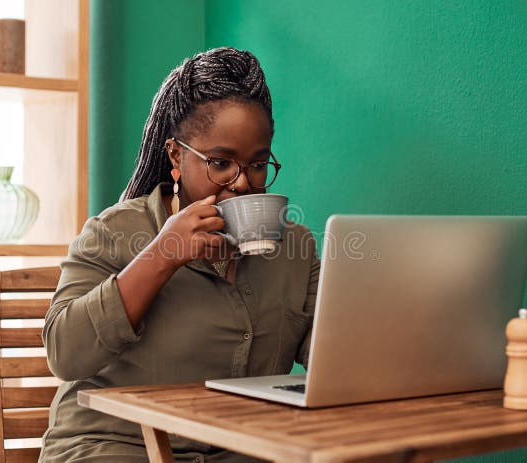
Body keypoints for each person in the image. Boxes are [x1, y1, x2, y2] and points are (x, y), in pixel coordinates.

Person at [40, 47, 320, 463]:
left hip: (240, 449)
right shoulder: (114, 233)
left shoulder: (295, 249)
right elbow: (65, 354)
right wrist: (162, 256)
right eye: (221, 163)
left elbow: (332, 359)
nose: (243, 183)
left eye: (258, 164)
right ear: (176, 155)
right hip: (114, 447)